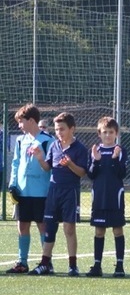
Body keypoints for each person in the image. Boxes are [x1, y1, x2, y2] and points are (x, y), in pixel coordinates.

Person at [28, 112, 89, 276]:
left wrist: (70, 164)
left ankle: (73, 265)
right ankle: (45, 264)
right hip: (54, 191)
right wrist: (40, 157)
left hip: (70, 192)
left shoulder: (80, 149)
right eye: (56, 129)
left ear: (72, 129)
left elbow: (82, 172)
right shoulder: (54, 145)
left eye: (62, 129)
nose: (59, 132)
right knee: (49, 228)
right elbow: (48, 167)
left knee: (69, 228)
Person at [6, 104, 53, 273]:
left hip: (41, 191)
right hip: (23, 191)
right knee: (22, 225)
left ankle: (46, 262)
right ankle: (22, 262)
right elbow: (16, 163)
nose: (19, 125)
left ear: (31, 121)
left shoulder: (47, 141)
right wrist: (13, 184)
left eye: (21, 121)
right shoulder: (20, 140)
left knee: (43, 225)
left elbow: (51, 165)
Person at [85, 116, 128, 277]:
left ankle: (119, 266)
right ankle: (97, 265)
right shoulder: (95, 151)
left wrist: (116, 159)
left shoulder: (120, 150)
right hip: (99, 197)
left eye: (111, 132)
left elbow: (122, 173)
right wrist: (95, 161)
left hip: (115, 197)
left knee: (117, 230)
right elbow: (91, 174)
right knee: (99, 231)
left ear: (116, 133)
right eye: (105, 132)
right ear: (99, 133)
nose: (108, 135)